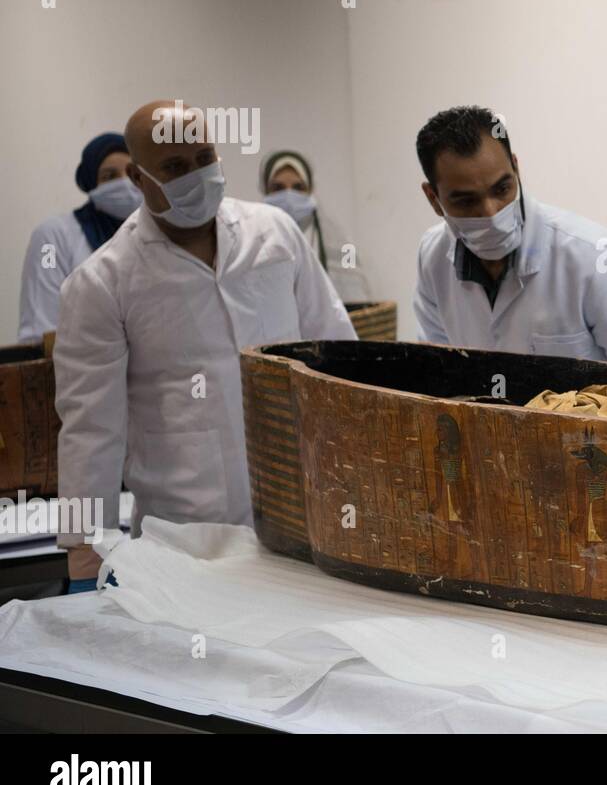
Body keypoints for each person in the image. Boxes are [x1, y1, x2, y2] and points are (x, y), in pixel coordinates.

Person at [55, 100, 356, 592]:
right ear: (137, 176)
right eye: (174, 167)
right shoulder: (103, 284)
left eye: (203, 158)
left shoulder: (274, 235)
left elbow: (338, 356)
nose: (196, 176)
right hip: (186, 545)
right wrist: (87, 562)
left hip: (303, 523)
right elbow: (90, 434)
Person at [413, 105, 607, 373]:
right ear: (433, 198)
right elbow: (440, 373)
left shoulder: (595, 256)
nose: (491, 213)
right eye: (466, 201)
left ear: (516, 168)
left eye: (502, 188)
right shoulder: (433, 258)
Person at [17, 133, 143, 342]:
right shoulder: (53, 238)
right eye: (109, 176)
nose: (124, 185)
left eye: (131, 174)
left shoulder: (158, 235)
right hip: (80, 369)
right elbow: (43, 331)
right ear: (90, 182)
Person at [261, 149, 371, 302]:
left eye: (298, 187)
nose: (289, 195)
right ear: (265, 190)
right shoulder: (252, 240)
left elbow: (356, 299)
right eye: (278, 188)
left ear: (310, 189)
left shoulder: (339, 241)